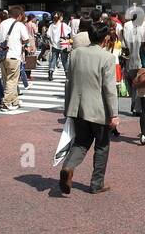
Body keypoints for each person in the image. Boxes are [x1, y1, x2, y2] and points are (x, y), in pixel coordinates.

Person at [58, 24, 118, 195]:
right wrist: (114, 114)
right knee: (102, 145)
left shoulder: (75, 54)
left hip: (77, 107)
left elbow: (69, 82)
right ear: (105, 38)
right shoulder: (107, 57)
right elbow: (109, 89)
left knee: (81, 142)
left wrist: (68, 106)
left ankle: (68, 167)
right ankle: (96, 183)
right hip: (98, 109)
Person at [0, 8, 30, 110]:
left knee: (6, 79)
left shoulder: (3, 23)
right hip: (14, 55)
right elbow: (26, 39)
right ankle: (6, 102)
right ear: (19, 15)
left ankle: (15, 101)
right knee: (12, 80)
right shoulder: (20, 25)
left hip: (2, 55)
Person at [46, 12, 72, 80]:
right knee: (65, 60)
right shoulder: (63, 24)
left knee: (53, 59)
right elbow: (69, 31)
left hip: (54, 45)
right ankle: (67, 75)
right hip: (63, 44)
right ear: (60, 18)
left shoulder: (51, 25)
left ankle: (50, 73)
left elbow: (48, 35)